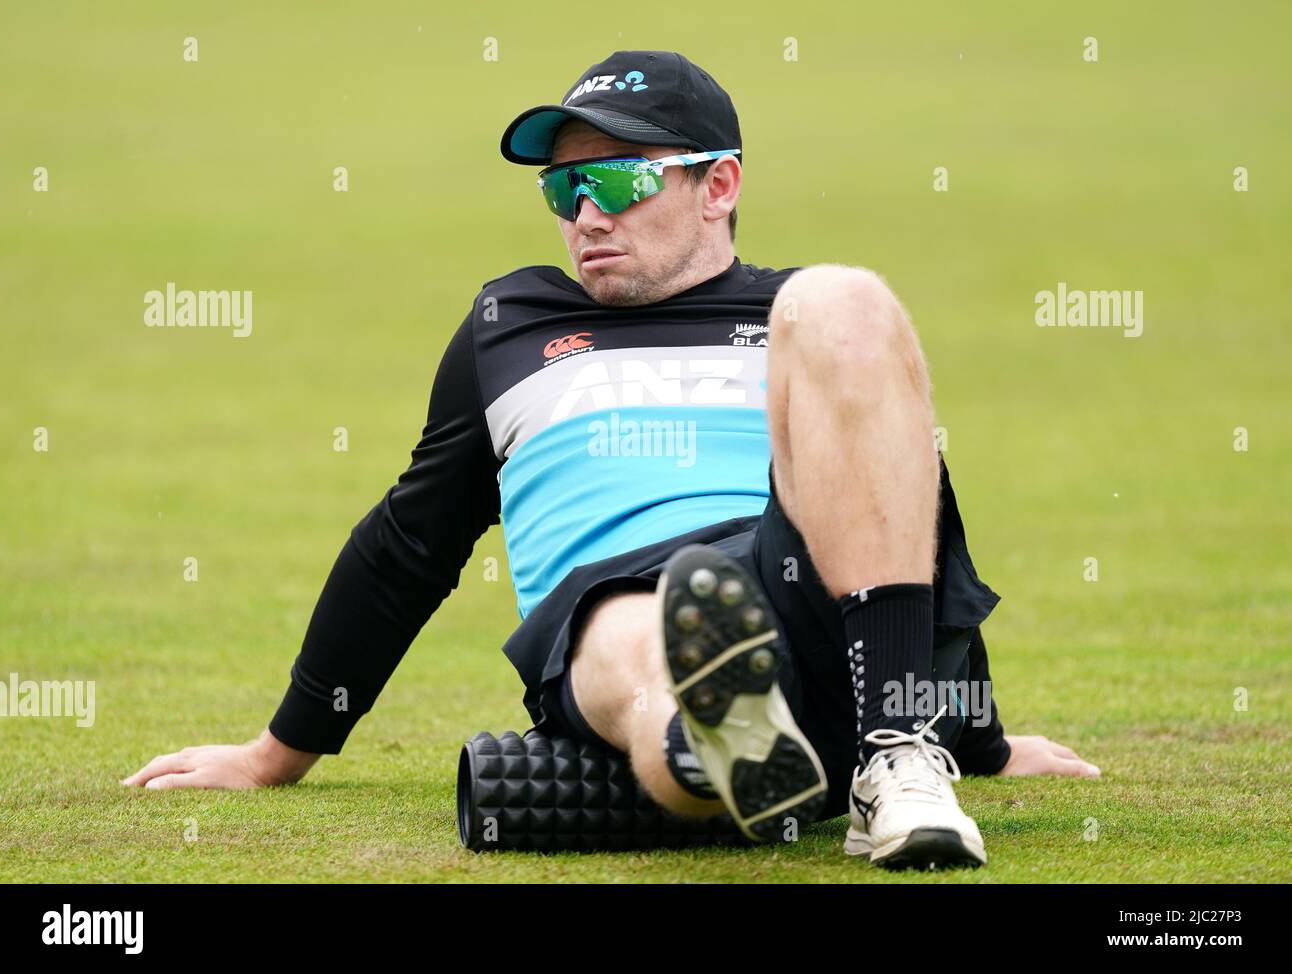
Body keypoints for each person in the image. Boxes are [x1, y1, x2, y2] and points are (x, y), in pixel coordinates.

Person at [123, 50, 1100, 870]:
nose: (587, 213)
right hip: (610, 617)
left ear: (718, 184)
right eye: (563, 186)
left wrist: (981, 736)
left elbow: (900, 505)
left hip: (801, 590)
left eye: (622, 180)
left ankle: (894, 757)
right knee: (649, 619)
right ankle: (714, 739)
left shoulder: (794, 314)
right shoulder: (511, 323)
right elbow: (406, 545)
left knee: (847, 297)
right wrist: (273, 753)